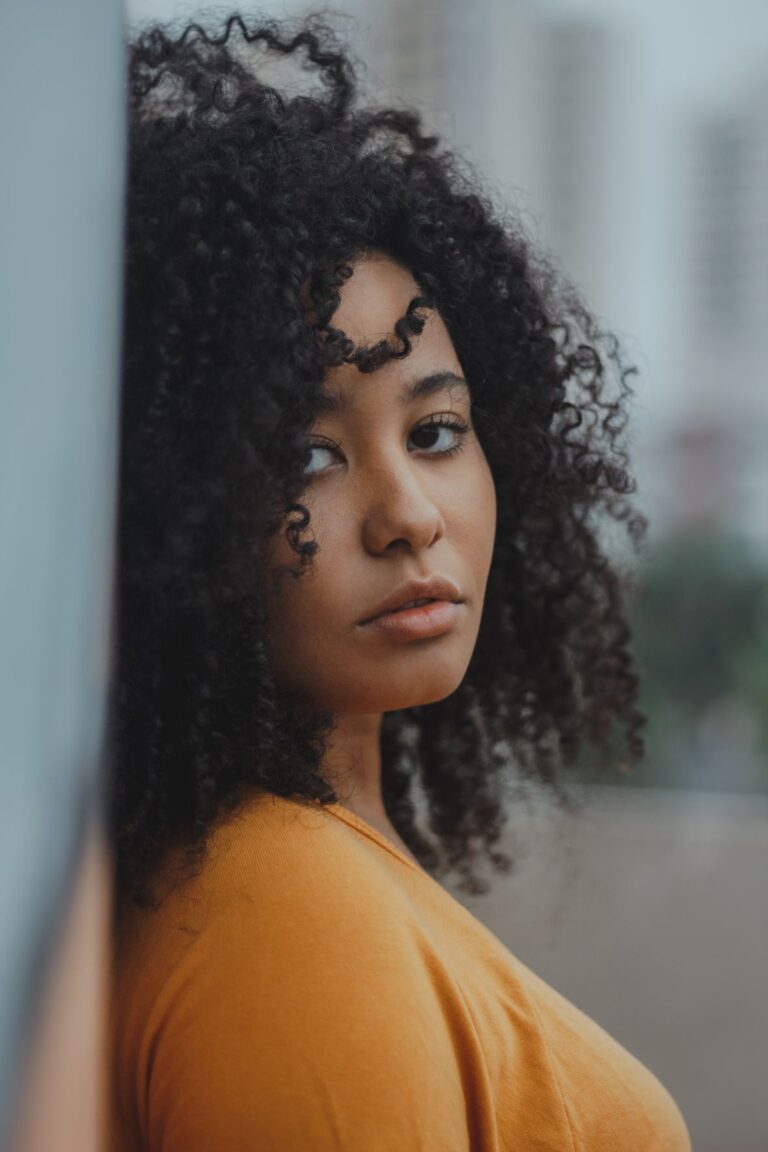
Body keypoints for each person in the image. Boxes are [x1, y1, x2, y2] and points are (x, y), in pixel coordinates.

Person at [108, 10, 692, 1150]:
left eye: (435, 431)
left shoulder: (318, 872)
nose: (410, 517)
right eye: (306, 458)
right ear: (174, 507)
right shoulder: (288, 915)